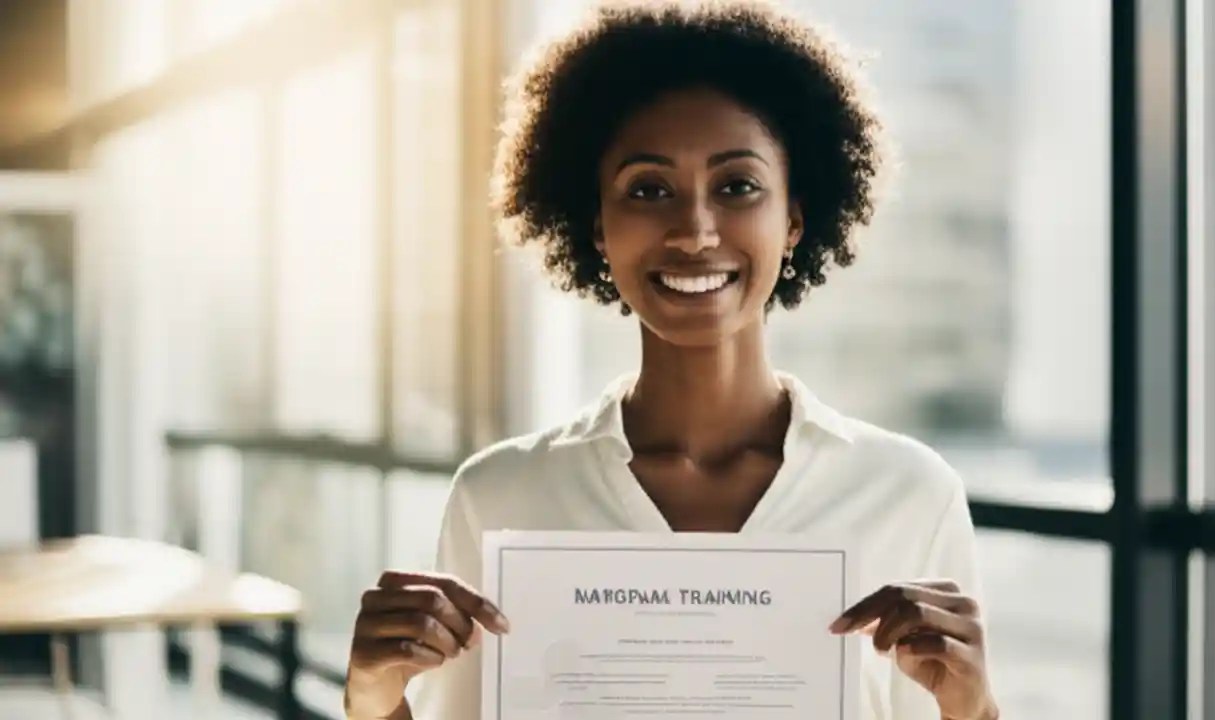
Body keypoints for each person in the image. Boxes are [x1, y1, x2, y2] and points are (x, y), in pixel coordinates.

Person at [344, 2, 998, 718]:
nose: (694, 230)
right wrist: (376, 701)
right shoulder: (500, 494)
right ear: (597, 226)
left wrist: (972, 709)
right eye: (648, 189)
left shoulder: (907, 493)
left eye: (737, 186)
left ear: (796, 220)